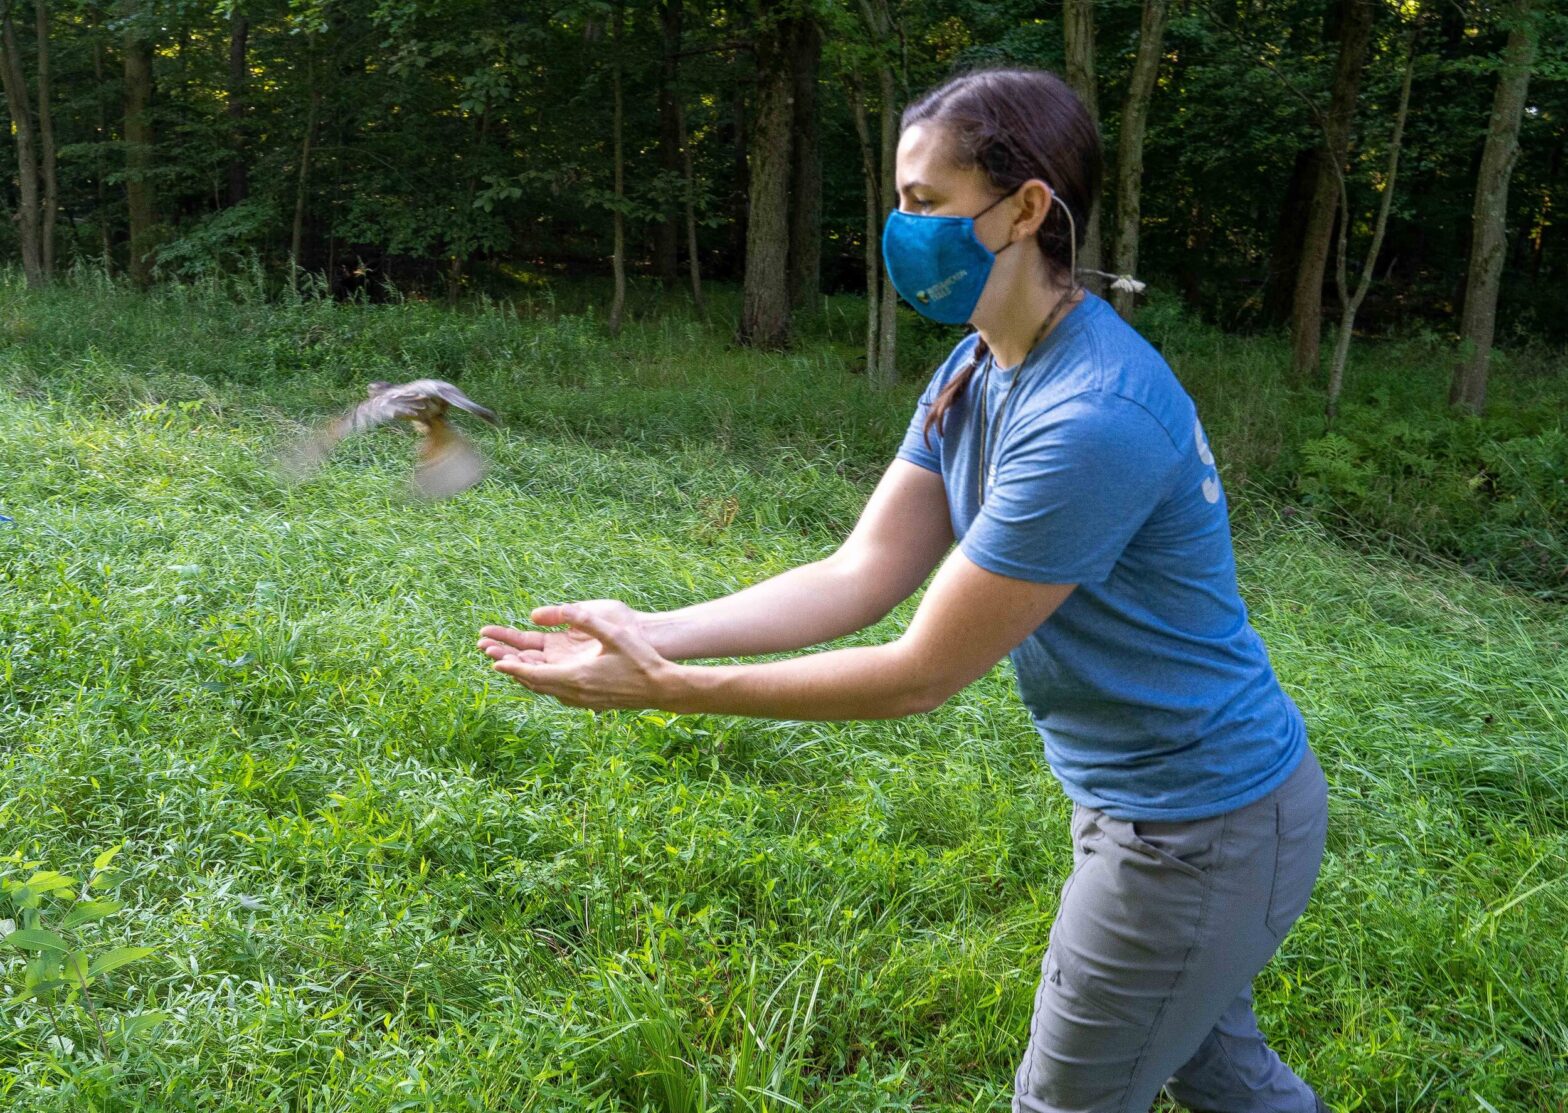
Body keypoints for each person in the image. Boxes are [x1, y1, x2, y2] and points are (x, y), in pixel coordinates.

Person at [477, 66, 1329, 1113]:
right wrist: (654, 631)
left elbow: (919, 673)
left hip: (1198, 826)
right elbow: (859, 574)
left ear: (1024, 208)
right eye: (899, 199)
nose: (900, 228)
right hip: (1166, 802)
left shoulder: (1089, 417)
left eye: (926, 202)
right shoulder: (976, 366)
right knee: (1219, 1071)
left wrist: (667, 690)